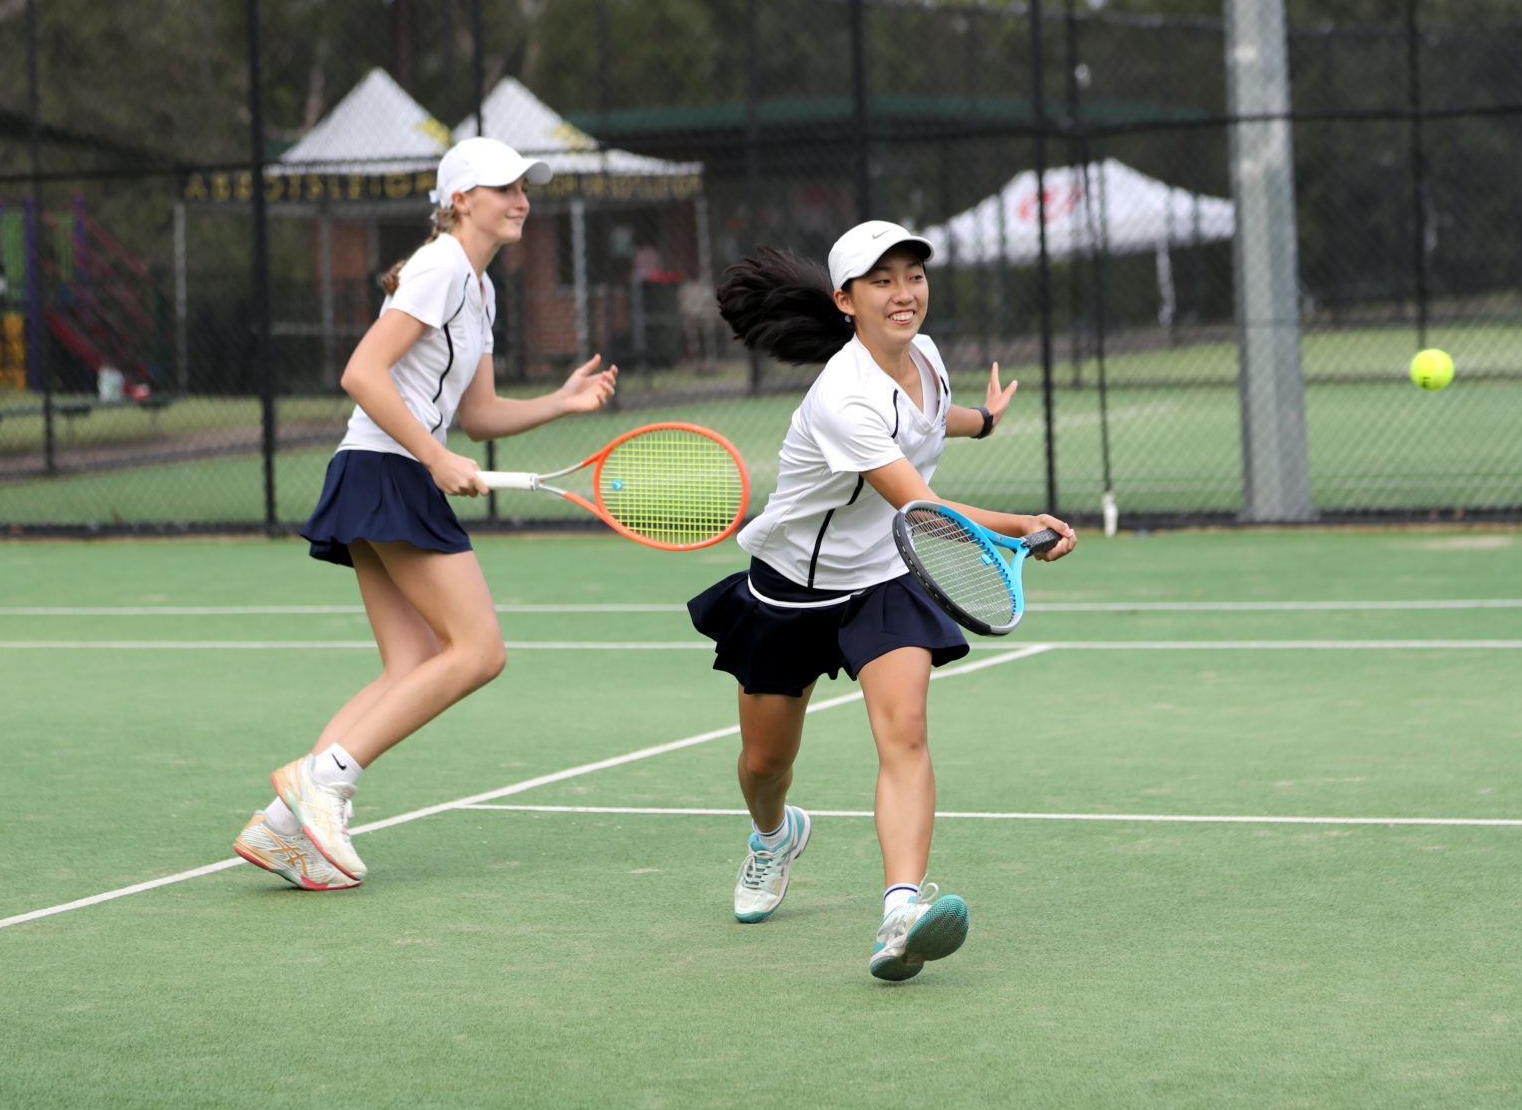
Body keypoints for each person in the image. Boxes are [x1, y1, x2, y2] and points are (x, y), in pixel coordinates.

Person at [688, 221, 1076, 981]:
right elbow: (924, 509)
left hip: (882, 580)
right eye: (883, 281)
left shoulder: (924, 357)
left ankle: (900, 911)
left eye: (914, 276)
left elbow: (934, 418)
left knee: (905, 730)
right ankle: (774, 836)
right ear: (846, 299)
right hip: (793, 588)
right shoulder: (843, 398)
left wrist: (987, 421)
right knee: (765, 763)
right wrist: (1023, 523)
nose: (905, 294)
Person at [233, 137, 618, 890]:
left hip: (385, 470)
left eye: (524, 187)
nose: (521, 200)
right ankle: (327, 783)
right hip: (388, 471)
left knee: (411, 662)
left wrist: (560, 402)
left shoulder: (478, 286)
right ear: (460, 200)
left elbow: (476, 415)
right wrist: (435, 459)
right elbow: (361, 372)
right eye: (504, 187)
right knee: (479, 650)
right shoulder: (440, 264)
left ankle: (284, 826)